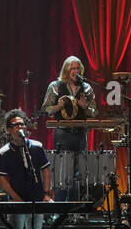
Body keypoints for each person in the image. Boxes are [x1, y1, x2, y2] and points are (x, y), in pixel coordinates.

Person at [0, 109, 53, 229]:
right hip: (17, 202)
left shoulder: (36, 147)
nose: (20, 127)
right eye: (15, 125)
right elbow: (3, 180)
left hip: (36, 199)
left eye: (22, 124)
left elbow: (46, 170)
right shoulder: (4, 152)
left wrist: (45, 193)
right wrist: (16, 199)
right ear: (8, 130)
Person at [40, 56, 97, 198]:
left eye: (78, 68)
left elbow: (94, 112)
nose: (75, 71)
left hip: (80, 133)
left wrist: (85, 108)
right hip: (62, 133)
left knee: (80, 172)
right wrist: (58, 106)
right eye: (72, 68)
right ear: (66, 70)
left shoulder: (86, 88)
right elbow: (45, 109)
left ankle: (75, 211)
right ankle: (61, 209)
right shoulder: (55, 86)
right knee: (63, 172)